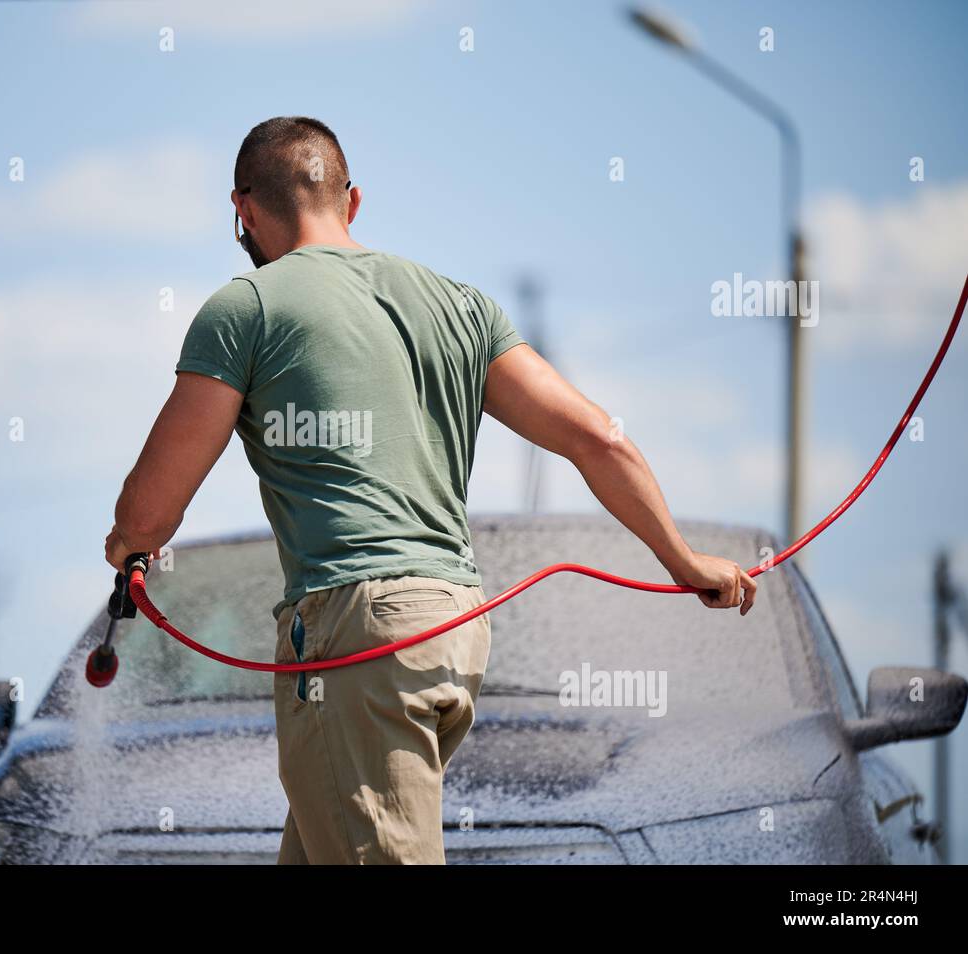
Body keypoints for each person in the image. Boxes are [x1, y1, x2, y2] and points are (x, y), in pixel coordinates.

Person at [105, 116, 756, 865]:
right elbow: (598, 438)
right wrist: (681, 559)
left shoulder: (246, 308)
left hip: (356, 638)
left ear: (243, 210)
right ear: (352, 203)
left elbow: (152, 511)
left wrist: (128, 543)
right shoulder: (461, 307)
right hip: (452, 626)